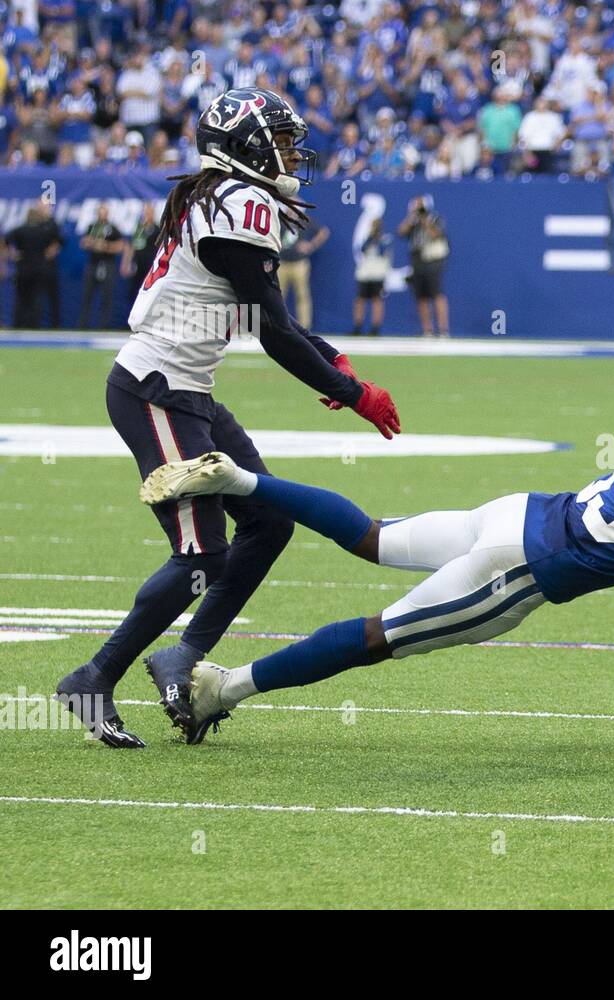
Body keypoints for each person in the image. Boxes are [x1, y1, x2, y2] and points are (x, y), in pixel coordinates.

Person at [137, 371, 614, 743]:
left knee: (373, 535)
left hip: (520, 511)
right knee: (381, 636)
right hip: (517, 574)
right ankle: (219, 691)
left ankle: (244, 477)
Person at [54, 88, 402, 749]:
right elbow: (272, 331)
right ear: (242, 147)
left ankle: (182, 658)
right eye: (277, 138)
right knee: (203, 552)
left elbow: (259, 314)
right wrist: (350, 392)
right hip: (155, 389)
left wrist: (335, 364)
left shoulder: (219, 196)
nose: (291, 151)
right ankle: (94, 675)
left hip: (186, 390)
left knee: (268, 523)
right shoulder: (239, 205)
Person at [398, 195, 451, 338]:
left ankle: (443, 329)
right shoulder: (413, 220)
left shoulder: (435, 218)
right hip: (417, 259)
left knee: (437, 293)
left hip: (433, 260)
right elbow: (400, 232)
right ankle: (427, 330)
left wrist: (424, 220)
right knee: (421, 296)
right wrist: (412, 217)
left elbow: (436, 235)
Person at [5, 201, 63, 328]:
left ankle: (18, 325)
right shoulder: (43, 231)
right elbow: (58, 239)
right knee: (36, 299)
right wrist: (52, 250)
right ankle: (33, 325)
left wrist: (12, 254)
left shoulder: (20, 229)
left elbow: (5, 240)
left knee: (21, 299)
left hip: (23, 268)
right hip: (39, 268)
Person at [78, 203, 127, 329]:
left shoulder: (112, 228)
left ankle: (104, 325)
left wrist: (105, 246)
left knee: (107, 296)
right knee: (87, 295)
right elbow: (83, 242)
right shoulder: (92, 227)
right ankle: (83, 325)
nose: (102, 214)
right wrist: (94, 244)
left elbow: (121, 246)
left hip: (107, 264)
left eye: (105, 211)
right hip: (93, 263)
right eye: (101, 211)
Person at [278, 218, 329, 329]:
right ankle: (276, 325)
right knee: (277, 296)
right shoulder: (279, 219)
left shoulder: (303, 220)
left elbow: (323, 232)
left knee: (302, 296)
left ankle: (305, 327)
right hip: (282, 262)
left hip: (299, 263)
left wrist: (311, 245)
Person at [353, 217, 392, 336]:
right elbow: (362, 250)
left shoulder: (385, 239)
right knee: (360, 299)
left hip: (378, 273)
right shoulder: (367, 238)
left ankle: (375, 327)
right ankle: (358, 326)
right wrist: (371, 236)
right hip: (365, 273)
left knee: (377, 300)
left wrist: (377, 237)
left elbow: (382, 251)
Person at [120, 201, 160, 305]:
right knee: (133, 292)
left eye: (149, 212)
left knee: (148, 293)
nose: (147, 214)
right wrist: (126, 263)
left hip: (150, 266)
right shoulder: (138, 229)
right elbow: (131, 246)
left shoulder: (157, 229)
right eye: (145, 212)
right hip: (137, 265)